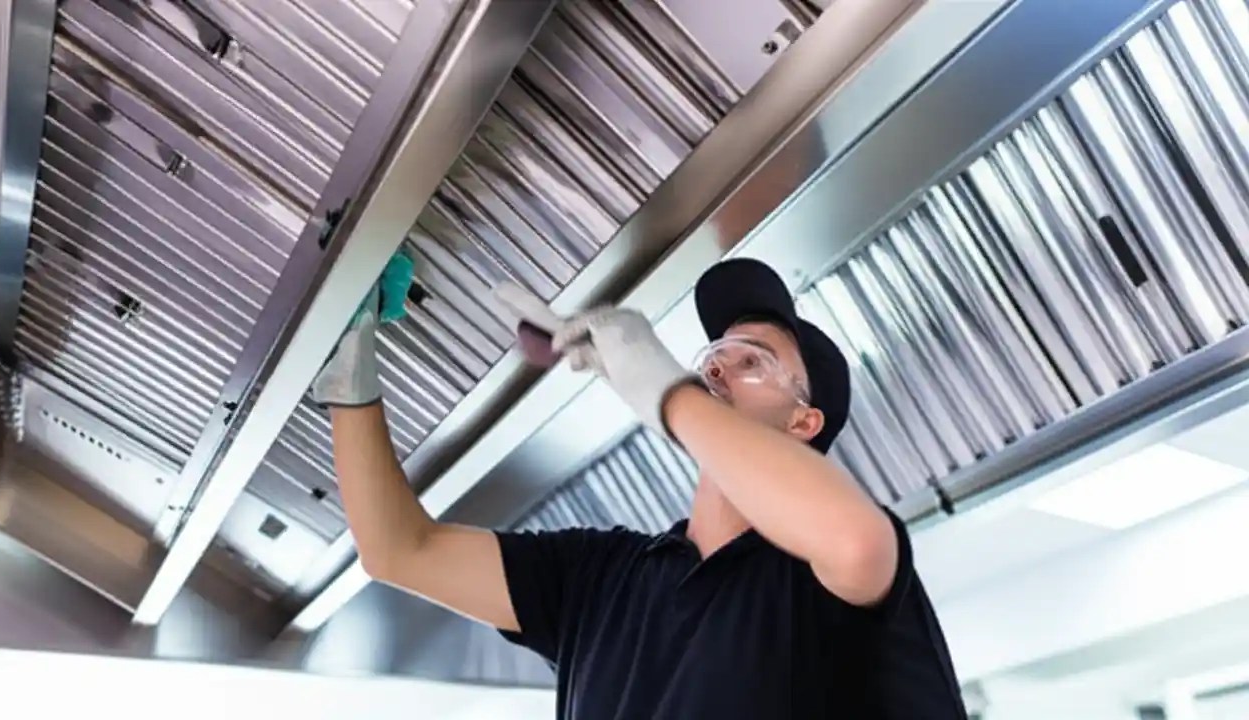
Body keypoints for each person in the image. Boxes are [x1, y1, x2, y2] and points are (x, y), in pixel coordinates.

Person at [312, 257, 967, 719]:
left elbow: (854, 540)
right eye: (715, 353)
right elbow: (399, 548)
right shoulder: (601, 579)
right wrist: (350, 360)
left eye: (753, 361)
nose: (719, 365)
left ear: (805, 422)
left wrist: (664, 392)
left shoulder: (823, 587)